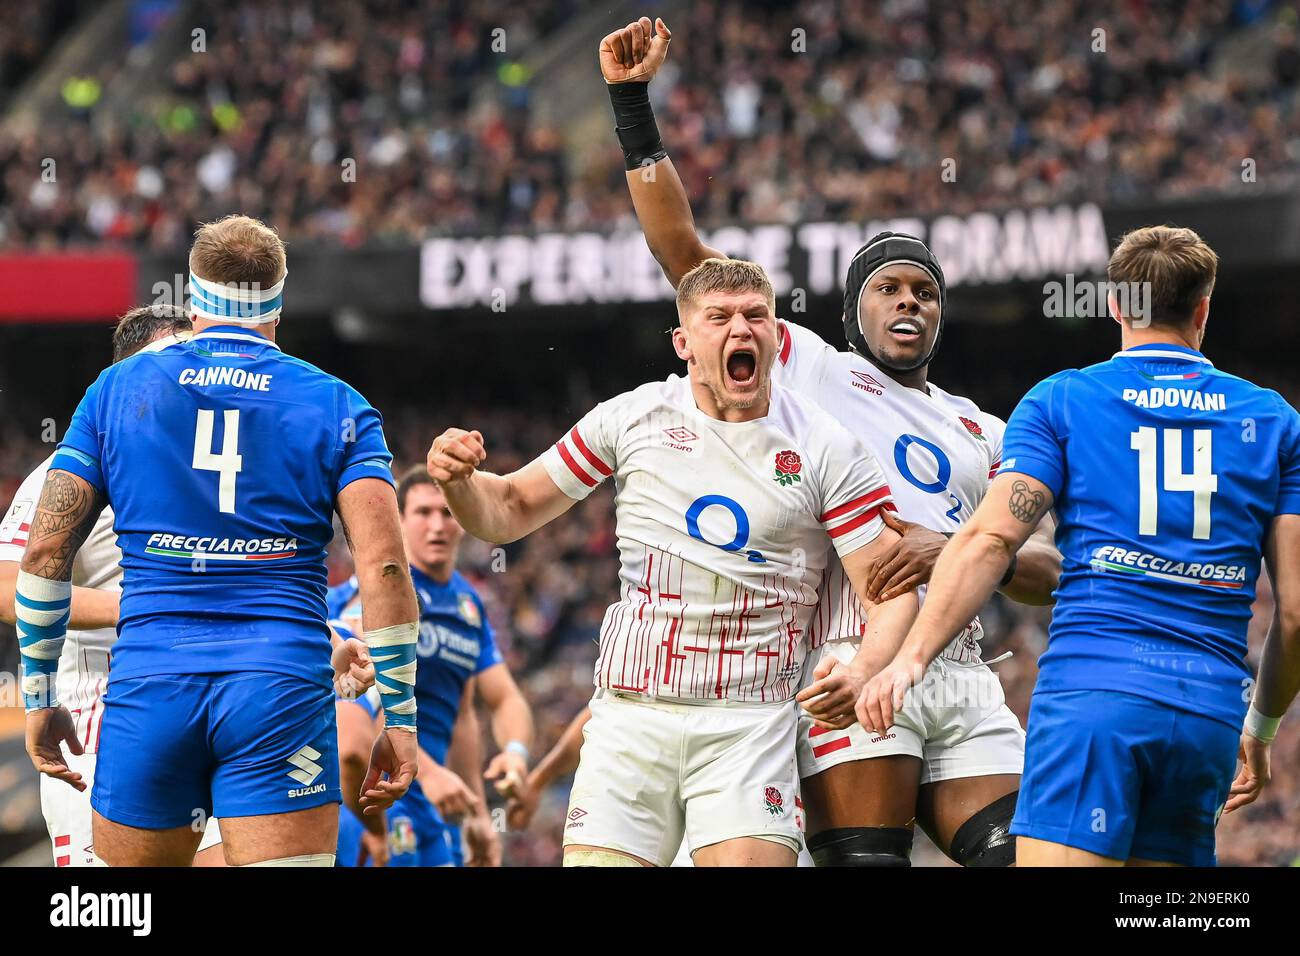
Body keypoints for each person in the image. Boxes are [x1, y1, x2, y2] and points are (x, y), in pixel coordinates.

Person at [599, 17, 1058, 867]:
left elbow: (1044, 572)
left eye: (925, 290)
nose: (909, 302)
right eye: (889, 288)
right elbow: (684, 256)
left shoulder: (986, 428)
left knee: (1022, 860)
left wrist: (955, 546)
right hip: (847, 649)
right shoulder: (813, 368)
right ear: (855, 311)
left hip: (960, 668)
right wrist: (632, 106)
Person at [428, 257, 918, 867]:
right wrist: (458, 483)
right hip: (633, 715)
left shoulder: (825, 444)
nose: (740, 329)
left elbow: (891, 589)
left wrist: (866, 666)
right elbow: (507, 509)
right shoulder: (632, 417)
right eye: (719, 318)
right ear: (684, 342)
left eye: (755, 316)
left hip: (752, 720)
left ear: (774, 335)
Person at [860, 225, 1300, 866]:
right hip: (1207, 713)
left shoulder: (1063, 401)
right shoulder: (1275, 420)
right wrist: (1260, 730)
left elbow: (988, 539)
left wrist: (911, 659)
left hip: (1093, 699)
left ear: (1117, 305)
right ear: (1202, 308)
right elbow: (1293, 613)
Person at [17, 215, 418, 866]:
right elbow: (387, 571)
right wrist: (399, 718)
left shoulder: (117, 391)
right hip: (280, 689)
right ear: (278, 306)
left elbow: (43, 555)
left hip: (152, 685)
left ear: (195, 298)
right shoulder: (337, 404)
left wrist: (37, 695)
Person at [0, 305, 229, 866]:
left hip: (211, 713)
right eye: (172, 359)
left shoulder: (220, 468)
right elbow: (7, 584)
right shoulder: (75, 466)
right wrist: (133, 609)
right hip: (98, 725)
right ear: (129, 373)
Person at [329, 466, 534, 866]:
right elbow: (361, 700)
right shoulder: (378, 597)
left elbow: (470, 715)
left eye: (448, 512)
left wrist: (501, 771)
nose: (437, 525)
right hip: (386, 797)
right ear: (400, 521)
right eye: (423, 513)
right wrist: (433, 775)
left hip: (442, 811)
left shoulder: (468, 605)